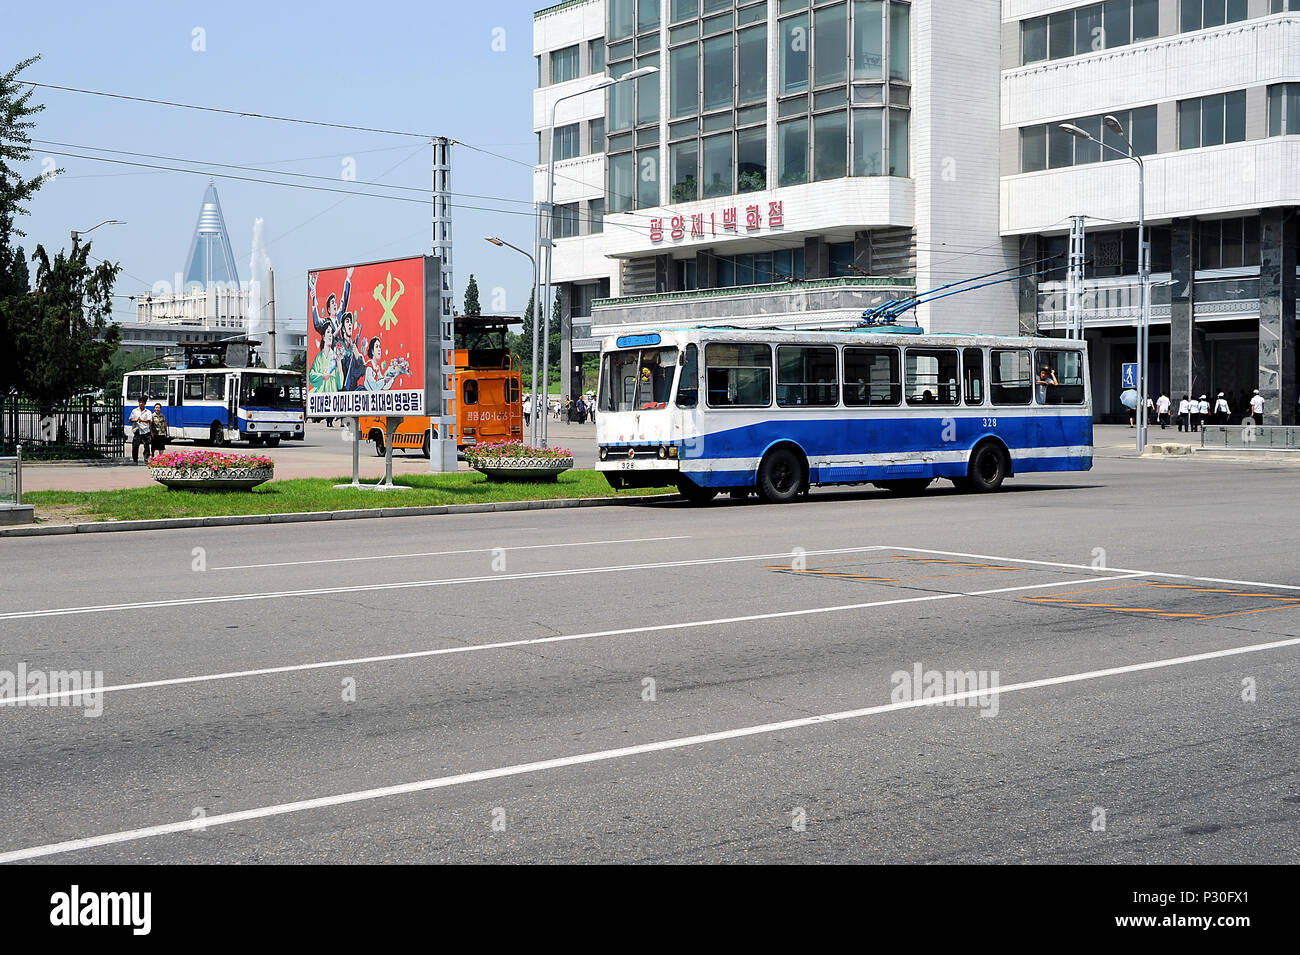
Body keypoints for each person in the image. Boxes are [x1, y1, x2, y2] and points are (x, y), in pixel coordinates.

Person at [128, 397, 153, 463]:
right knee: (135, 446)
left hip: (145, 430)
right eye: (140, 402)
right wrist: (136, 420)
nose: (141, 404)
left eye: (142, 402)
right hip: (137, 430)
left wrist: (142, 420)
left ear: (145, 404)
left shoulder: (148, 412)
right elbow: (131, 419)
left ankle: (146, 458)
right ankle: (135, 459)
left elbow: (149, 420)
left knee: (147, 446)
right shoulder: (134, 411)